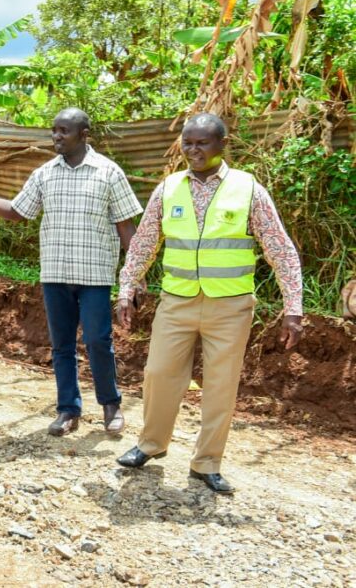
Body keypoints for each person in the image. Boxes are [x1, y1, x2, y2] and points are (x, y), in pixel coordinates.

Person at [115, 113, 303, 493]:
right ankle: (151, 444)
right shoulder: (168, 188)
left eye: (202, 143)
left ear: (222, 144)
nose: (193, 150)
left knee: (221, 385)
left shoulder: (249, 189)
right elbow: (143, 244)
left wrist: (293, 308)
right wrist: (126, 289)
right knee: (158, 374)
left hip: (230, 308)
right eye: (187, 142)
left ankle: (206, 463)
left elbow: (280, 250)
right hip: (177, 302)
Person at [0, 108, 142, 436]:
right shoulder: (45, 173)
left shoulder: (108, 172)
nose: (56, 136)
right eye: (54, 131)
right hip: (55, 274)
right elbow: (17, 211)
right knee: (61, 346)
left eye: (64, 131)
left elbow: (126, 226)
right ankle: (68, 411)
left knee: (98, 340)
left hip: (95, 277)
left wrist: (136, 273)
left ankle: (111, 406)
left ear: (84, 134)